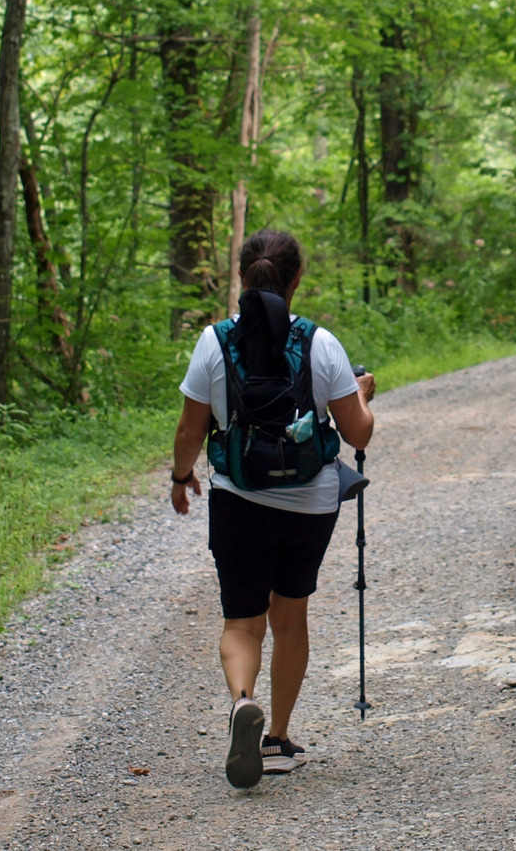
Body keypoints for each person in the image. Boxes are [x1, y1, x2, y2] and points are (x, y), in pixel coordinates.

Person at [169, 228, 375, 789]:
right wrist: (361, 391)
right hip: (310, 503)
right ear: (297, 279)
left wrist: (181, 476)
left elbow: (191, 429)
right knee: (290, 617)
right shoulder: (321, 344)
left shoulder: (214, 343)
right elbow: (358, 430)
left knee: (242, 621)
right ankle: (278, 739)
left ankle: (242, 702)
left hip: (239, 499)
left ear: (240, 277)